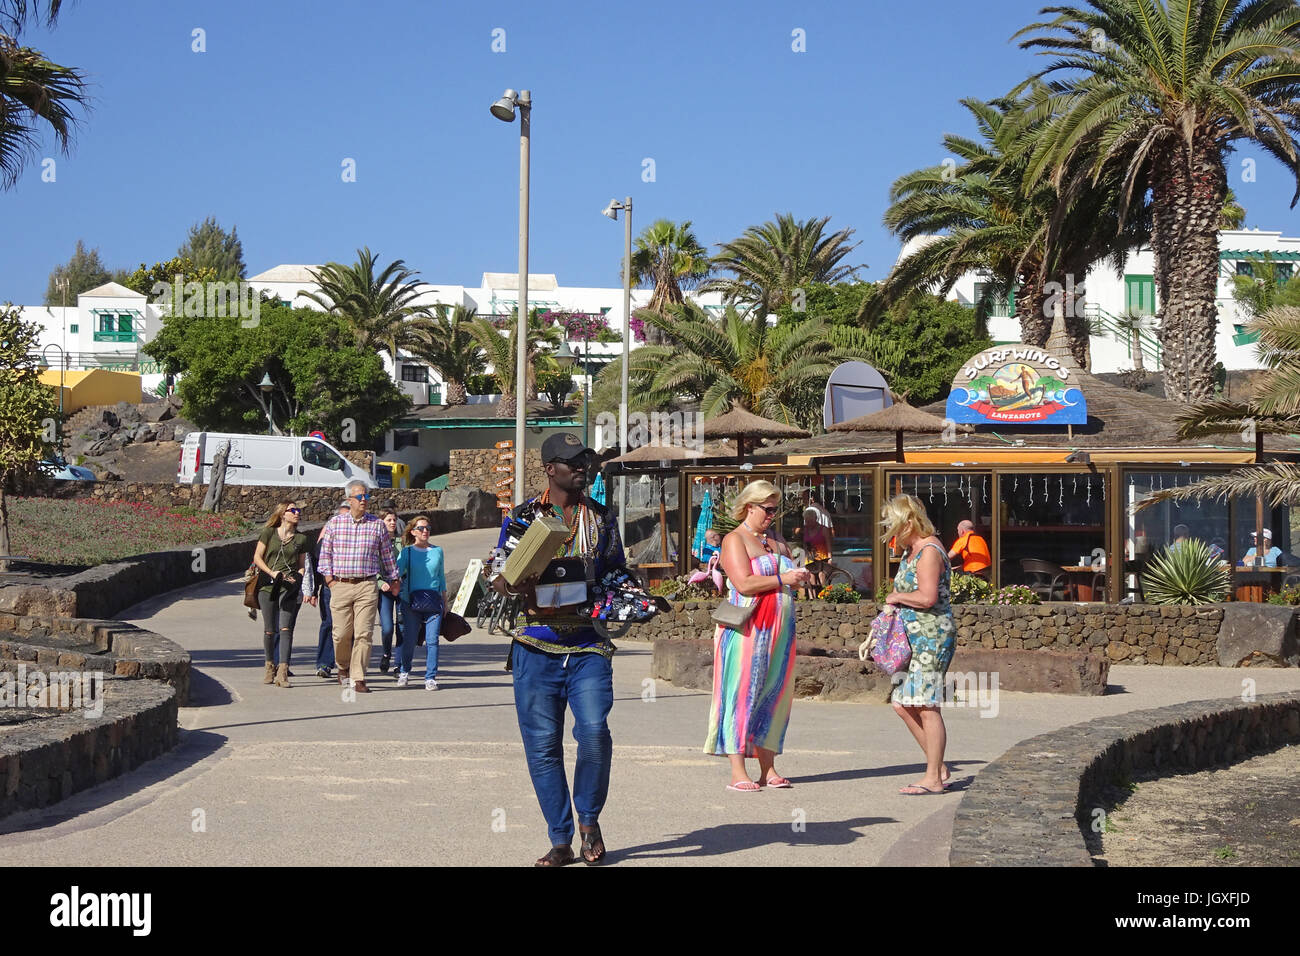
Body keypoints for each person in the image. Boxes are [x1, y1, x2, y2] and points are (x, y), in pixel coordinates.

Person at [489, 431, 625, 867]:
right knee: (543, 746)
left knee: (594, 734)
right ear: (551, 469)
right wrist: (512, 582)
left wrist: (632, 598)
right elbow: (499, 575)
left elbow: (615, 572)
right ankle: (561, 839)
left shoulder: (602, 517)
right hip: (536, 643)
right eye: (573, 462)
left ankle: (589, 820)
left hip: (588, 644)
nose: (582, 467)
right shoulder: (523, 517)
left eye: (584, 460)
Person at [704, 480, 812, 793]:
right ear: (749, 506)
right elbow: (744, 583)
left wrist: (796, 578)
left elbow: (782, 578)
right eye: (767, 509)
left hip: (781, 629)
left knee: (774, 694)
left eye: (776, 510)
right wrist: (783, 577)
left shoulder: (774, 540)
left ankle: (768, 768)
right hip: (747, 628)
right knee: (740, 693)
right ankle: (738, 769)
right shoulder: (734, 539)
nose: (772, 515)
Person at [881, 494, 956, 795]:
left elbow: (927, 598)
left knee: (926, 705)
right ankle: (937, 766)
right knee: (902, 703)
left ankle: (934, 778)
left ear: (908, 522)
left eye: (894, 525)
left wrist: (896, 597)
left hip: (932, 635)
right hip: (916, 637)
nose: (891, 532)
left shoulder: (928, 551)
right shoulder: (912, 551)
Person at [317, 479, 400, 694]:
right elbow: (324, 556)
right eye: (360, 497)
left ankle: (358, 677)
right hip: (341, 585)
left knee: (364, 633)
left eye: (366, 496)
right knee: (341, 634)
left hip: (366, 585)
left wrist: (394, 579)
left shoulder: (377, 525)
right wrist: (330, 581)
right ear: (349, 499)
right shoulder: (335, 524)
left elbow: (387, 556)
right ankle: (343, 667)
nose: (364, 500)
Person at [252, 500, 314, 688]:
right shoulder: (268, 533)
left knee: (286, 628)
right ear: (282, 514)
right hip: (268, 586)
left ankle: (283, 672)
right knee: (270, 630)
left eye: (298, 510)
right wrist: (271, 573)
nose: (297, 513)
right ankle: (269, 666)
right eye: (292, 510)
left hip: (289, 588)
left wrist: (298, 578)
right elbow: (257, 557)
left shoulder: (301, 539)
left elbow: (303, 565)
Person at [394, 515, 446, 689]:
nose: (425, 531)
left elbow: (441, 577)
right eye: (422, 528)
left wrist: (445, 601)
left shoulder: (438, 551)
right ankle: (404, 671)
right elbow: (397, 573)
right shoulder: (407, 552)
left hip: (433, 601)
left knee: (432, 641)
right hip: (411, 602)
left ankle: (430, 677)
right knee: (409, 639)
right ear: (413, 532)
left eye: (428, 528)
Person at [312, 501, 349, 680]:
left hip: (351, 586)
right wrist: (312, 590)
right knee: (328, 624)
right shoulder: (328, 532)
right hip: (330, 587)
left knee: (351, 627)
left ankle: (348, 665)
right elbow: (316, 560)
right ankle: (324, 664)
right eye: (340, 516)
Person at [377, 509, 403, 674]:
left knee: (402, 626)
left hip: (400, 588)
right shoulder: (376, 542)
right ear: (382, 523)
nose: (392, 522)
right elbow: (371, 564)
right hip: (384, 588)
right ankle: (386, 653)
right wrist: (380, 582)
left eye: (394, 520)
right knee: (387, 628)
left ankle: (398, 663)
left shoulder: (402, 542)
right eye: (388, 520)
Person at [795, 494, 835, 589]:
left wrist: (830, 558)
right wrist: (804, 554)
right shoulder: (806, 529)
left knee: (822, 576)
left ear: (815, 519)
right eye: (806, 521)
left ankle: (824, 595)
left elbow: (828, 543)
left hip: (822, 556)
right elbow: (804, 543)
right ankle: (812, 597)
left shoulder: (823, 529)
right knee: (810, 576)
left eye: (810, 521)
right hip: (810, 556)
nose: (808, 523)